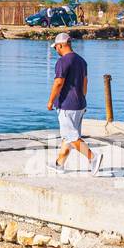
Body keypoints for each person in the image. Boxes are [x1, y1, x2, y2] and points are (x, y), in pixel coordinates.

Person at [45, 33, 101, 174]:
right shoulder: (81, 61)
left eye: (56, 47)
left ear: (61, 45)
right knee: (68, 137)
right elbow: (85, 82)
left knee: (71, 136)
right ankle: (59, 164)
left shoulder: (63, 61)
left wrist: (51, 101)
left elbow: (58, 82)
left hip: (66, 105)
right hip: (79, 104)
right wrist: (81, 98)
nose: (55, 50)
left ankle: (93, 158)